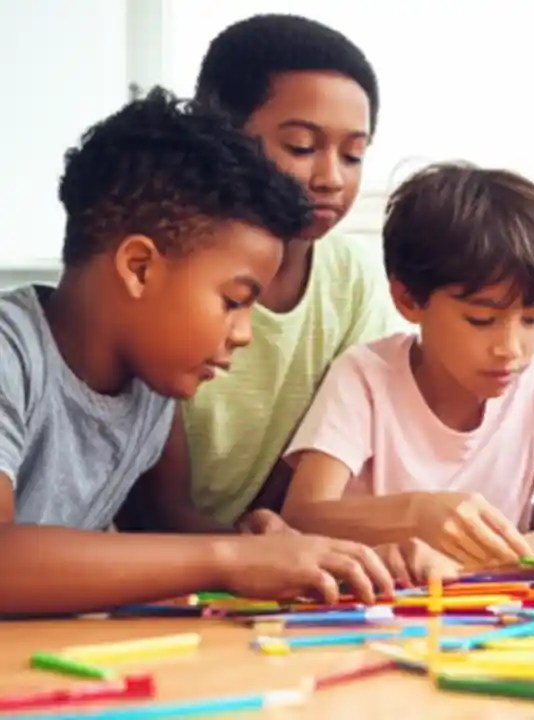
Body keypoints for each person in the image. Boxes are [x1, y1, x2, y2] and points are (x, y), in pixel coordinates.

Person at [0, 89, 393, 615]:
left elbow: (162, 520)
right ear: (139, 267)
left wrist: (261, 548)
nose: (244, 333)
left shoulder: (150, 384)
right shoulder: (11, 354)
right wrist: (225, 557)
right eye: (234, 301)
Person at [280, 163, 534, 584]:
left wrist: (500, 557)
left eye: (533, 319)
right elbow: (302, 515)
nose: (510, 348)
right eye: (481, 320)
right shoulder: (366, 377)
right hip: (375, 609)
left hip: (488, 617)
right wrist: (417, 514)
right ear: (408, 299)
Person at [171, 14, 403, 530]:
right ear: (222, 135)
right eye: (301, 147)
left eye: (353, 155)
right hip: (154, 552)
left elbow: (324, 459)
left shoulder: (352, 280)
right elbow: (155, 506)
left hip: (278, 548)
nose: (330, 178)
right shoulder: (174, 266)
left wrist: (271, 538)